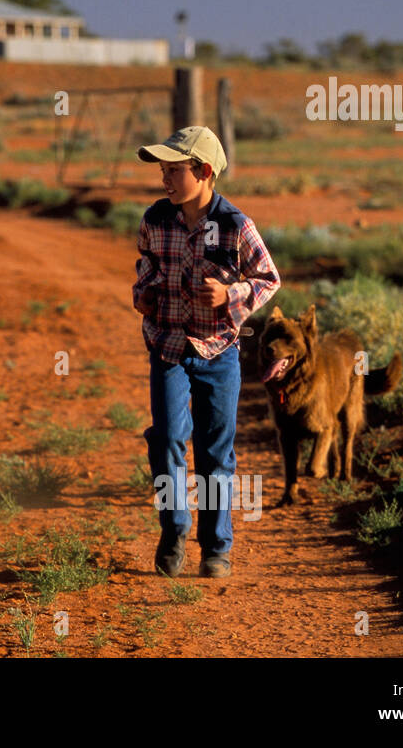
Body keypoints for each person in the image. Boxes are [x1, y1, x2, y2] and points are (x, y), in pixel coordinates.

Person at [132, 125, 280, 578]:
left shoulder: (236, 225)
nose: (166, 179)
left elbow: (268, 279)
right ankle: (173, 529)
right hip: (168, 348)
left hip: (219, 353)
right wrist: (144, 293)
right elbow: (145, 269)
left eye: (175, 170)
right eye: (163, 170)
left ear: (205, 171)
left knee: (216, 452)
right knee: (170, 440)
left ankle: (216, 548)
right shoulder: (156, 219)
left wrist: (231, 296)